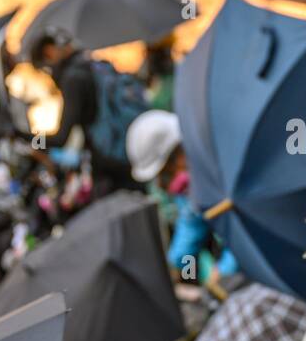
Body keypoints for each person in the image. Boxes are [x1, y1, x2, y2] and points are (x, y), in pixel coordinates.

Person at [126, 109, 237, 290]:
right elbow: (191, 224)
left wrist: (224, 273)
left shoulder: (222, 163)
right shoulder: (187, 186)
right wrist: (177, 266)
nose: (167, 182)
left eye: (167, 172)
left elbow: (246, 228)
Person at [31, 33, 144, 197]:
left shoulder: (73, 79)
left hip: (107, 156)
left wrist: (32, 139)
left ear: (49, 51)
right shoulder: (91, 64)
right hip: (127, 145)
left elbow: (61, 138)